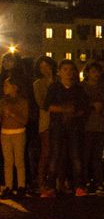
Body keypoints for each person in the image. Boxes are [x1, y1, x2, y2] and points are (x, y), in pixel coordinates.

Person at [43, 60, 89, 198]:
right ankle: (51, 186)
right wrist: (64, 109)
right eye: (65, 69)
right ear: (59, 72)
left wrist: (73, 112)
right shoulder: (54, 88)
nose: (68, 72)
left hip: (74, 127)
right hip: (57, 126)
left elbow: (84, 108)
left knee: (76, 156)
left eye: (71, 69)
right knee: (55, 156)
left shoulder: (79, 89)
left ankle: (79, 186)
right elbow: (47, 106)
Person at [81, 61, 104, 193]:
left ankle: (98, 181)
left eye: (98, 72)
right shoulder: (82, 88)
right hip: (87, 125)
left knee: (97, 156)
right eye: (93, 71)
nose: (96, 74)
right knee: (85, 155)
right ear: (87, 73)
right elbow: (80, 104)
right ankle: (84, 181)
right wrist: (92, 105)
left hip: (100, 125)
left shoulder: (103, 88)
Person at [1, 77, 30, 197]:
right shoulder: (2, 102)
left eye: (7, 85)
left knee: (19, 161)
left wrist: (12, 114)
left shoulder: (22, 102)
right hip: (5, 133)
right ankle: (8, 186)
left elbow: (24, 120)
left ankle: (21, 186)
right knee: (8, 161)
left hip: (19, 133)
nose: (4, 88)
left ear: (15, 87)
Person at [32, 56, 56, 195]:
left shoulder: (59, 81)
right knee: (46, 152)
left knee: (58, 152)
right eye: (42, 67)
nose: (45, 69)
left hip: (59, 121)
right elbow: (42, 103)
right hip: (46, 121)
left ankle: (56, 181)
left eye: (47, 66)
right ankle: (41, 181)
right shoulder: (38, 84)